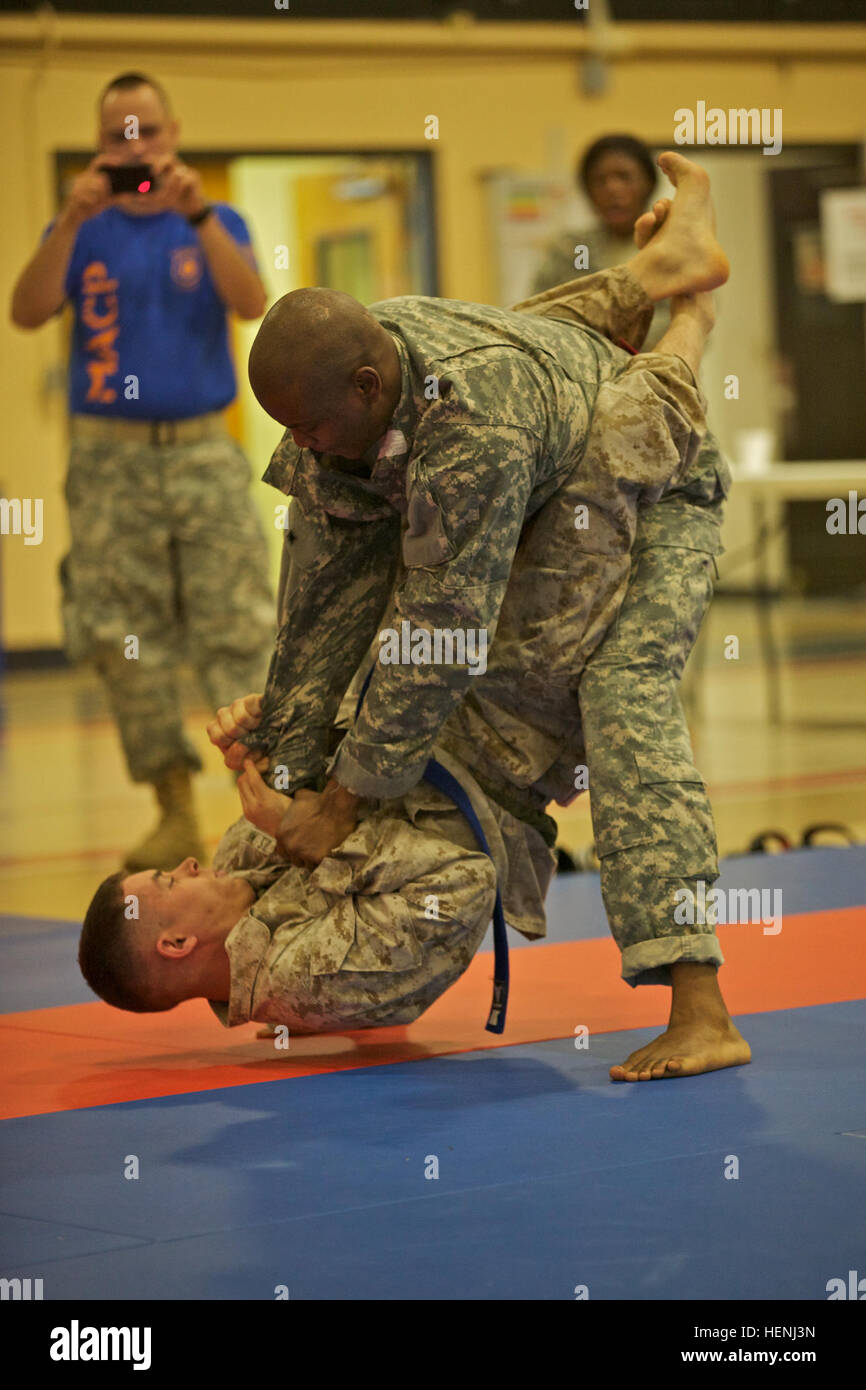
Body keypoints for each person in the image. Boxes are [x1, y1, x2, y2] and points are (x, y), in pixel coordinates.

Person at [9, 70, 275, 871]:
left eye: (147, 133)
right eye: (117, 135)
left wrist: (196, 214)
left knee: (238, 627)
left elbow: (252, 300)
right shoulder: (81, 226)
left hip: (201, 447)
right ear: (99, 146)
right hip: (108, 458)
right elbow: (24, 311)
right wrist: (68, 220)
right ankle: (169, 805)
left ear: (173, 133)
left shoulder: (213, 218)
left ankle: (259, 803)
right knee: (127, 641)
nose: (135, 148)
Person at [531, 133, 671, 348]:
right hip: (580, 373)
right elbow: (539, 314)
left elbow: (685, 322)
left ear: (648, 184)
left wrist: (610, 336)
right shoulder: (572, 249)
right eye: (599, 180)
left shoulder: (670, 247)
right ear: (588, 192)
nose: (612, 189)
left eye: (624, 177)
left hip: (656, 371)